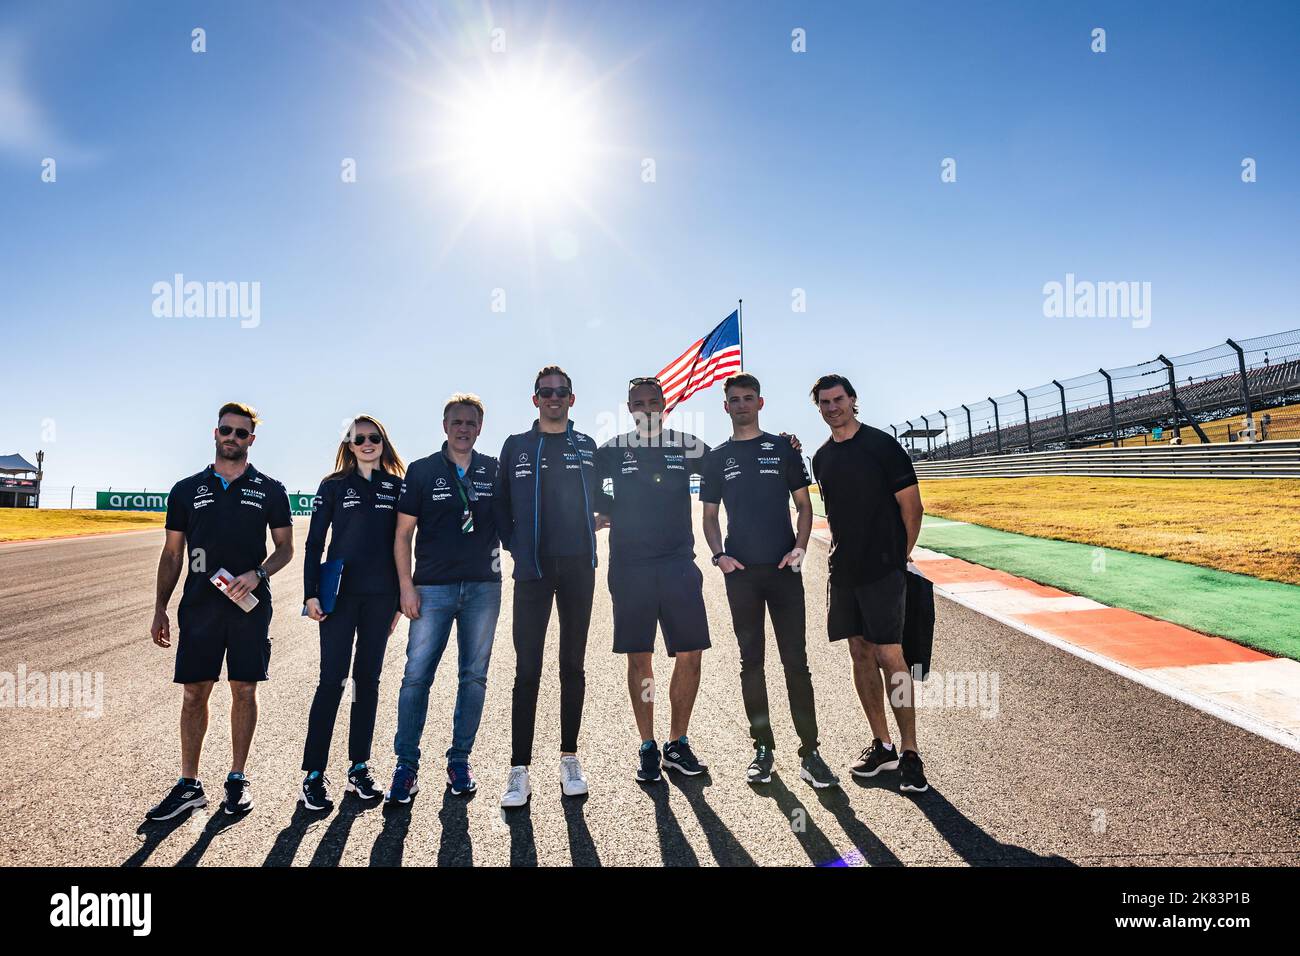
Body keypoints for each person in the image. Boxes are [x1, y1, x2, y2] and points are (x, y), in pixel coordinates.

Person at [146, 402, 294, 819]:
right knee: (194, 693)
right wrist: (160, 607)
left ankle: (236, 778)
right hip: (199, 608)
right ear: (215, 434)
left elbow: (285, 549)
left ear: (252, 439)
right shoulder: (187, 489)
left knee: (244, 690)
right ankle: (189, 784)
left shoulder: (270, 489)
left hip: (248, 606)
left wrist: (258, 575)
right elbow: (173, 553)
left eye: (241, 433)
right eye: (226, 431)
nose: (232, 438)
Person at [700, 373, 838, 788]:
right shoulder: (717, 457)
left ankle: (810, 753)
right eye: (734, 399)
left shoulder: (782, 449)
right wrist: (720, 556)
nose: (741, 404)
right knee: (751, 664)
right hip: (741, 576)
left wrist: (799, 548)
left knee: (796, 662)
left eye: (748, 398)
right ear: (725, 407)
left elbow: (803, 505)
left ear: (760, 403)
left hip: (783, 573)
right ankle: (763, 748)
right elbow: (709, 517)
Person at [810, 374, 929, 793]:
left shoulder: (882, 446)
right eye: (824, 402)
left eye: (838, 399)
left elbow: (912, 508)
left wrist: (898, 556)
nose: (832, 408)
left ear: (853, 400)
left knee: (889, 653)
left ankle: (911, 753)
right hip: (843, 570)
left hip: (883, 569)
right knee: (858, 652)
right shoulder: (821, 458)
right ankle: (882, 745)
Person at [595, 377, 714, 783]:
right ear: (629, 408)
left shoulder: (685, 444)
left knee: (691, 652)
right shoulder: (611, 450)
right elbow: (586, 487)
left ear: (665, 405)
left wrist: (785, 447)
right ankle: (647, 745)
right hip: (630, 566)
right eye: (638, 403)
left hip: (679, 562)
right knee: (639, 656)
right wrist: (614, 509)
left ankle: (676, 743)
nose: (646, 408)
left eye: (652, 401)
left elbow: (727, 466)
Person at [493, 366, 602, 806]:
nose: (553, 398)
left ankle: (569, 758)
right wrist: (516, 546)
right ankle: (520, 769)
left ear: (572, 399)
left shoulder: (588, 446)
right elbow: (499, 503)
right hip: (532, 571)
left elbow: (617, 490)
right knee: (527, 669)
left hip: (579, 568)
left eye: (561, 392)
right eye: (546, 392)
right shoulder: (517, 446)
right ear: (534, 399)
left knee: (572, 664)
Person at [387, 394, 502, 802]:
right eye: (457, 422)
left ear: (480, 427)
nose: (463, 428)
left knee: (473, 677)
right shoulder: (421, 472)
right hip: (431, 588)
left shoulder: (494, 469)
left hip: (483, 588)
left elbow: (516, 522)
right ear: (445, 425)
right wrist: (406, 586)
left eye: (471, 422)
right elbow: (402, 535)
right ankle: (406, 766)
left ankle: (459, 761)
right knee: (417, 675)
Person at [298, 415, 405, 811]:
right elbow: (313, 544)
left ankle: (359, 766)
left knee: (368, 682)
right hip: (338, 598)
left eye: (374, 437)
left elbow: (404, 543)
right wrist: (311, 595)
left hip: (380, 598)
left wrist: (397, 602)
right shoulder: (332, 486)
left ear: (383, 441)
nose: (367, 443)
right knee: (332, 681)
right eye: (359, 438)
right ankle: (313, 774)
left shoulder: (397, 487)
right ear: (349, 443)